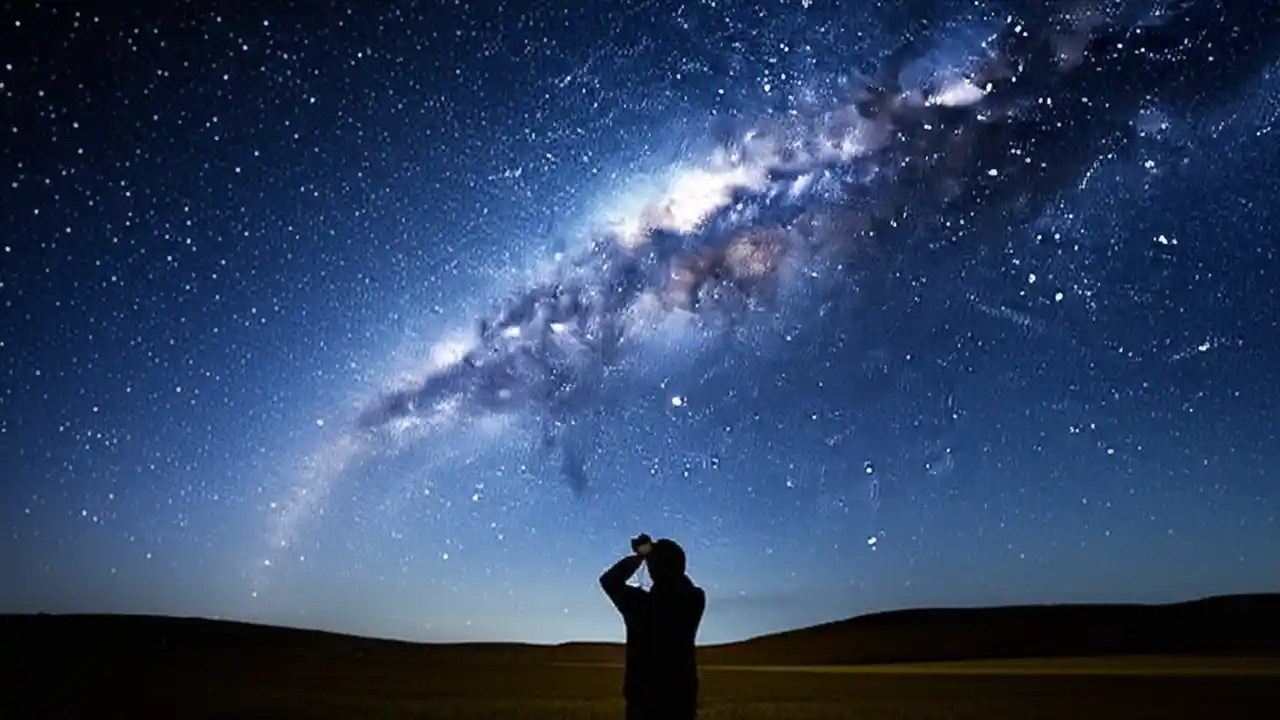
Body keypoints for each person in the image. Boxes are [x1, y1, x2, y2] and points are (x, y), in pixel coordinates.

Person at [599, 533, 707, 720]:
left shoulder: (641, 605)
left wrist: (640, 555)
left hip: (644, 701)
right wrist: (655, 555)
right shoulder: (695, 599)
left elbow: (609, 581)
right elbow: (678, 578)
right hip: (682, 699)